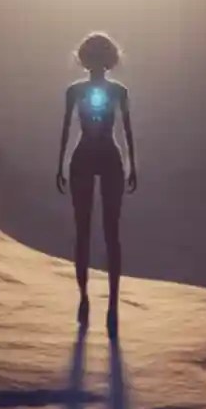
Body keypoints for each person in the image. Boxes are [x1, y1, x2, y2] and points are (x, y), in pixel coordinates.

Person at [56, 32, 138, 335]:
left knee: (101, 232)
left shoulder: (107, 92)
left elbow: (127, 131)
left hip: (97, 157)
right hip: (98, 157)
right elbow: (67, 129)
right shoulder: (88, 91)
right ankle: (90, 299)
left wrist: (132, 165)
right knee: (92, 231)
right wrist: (60, 164)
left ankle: (104, 302)